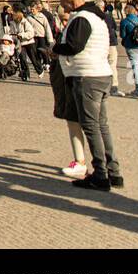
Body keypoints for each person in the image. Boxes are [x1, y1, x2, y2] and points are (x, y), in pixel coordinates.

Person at [52, 0, 123, 192]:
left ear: (72, 1)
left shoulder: (82, 18)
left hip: (87, 77)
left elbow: (74, 46)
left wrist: (56, 49)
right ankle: (114, 171)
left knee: (90, 126)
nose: (63, 9)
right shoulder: (97, 18)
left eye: (64, 5)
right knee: (101, 125)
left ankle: (100, 175)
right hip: (100, 74)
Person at [50, 10, 92, 179]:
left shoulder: (79, 33)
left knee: (90, 125)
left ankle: (101, 166)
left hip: (81, 83)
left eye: (67, 19)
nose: (65, 23)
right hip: (67, 84)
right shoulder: (64, 35)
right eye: (62, 20)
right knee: (73, 122)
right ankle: (80, 161)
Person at [9, 8, 36, 82]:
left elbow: (31, 33)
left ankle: (39, 70)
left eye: (14, 15)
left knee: (33, 58)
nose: (12, 16)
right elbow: (11, 32)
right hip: (19, 43)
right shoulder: (12, 23)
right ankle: (26, 74)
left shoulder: (25, 22)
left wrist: (22, 35)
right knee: (22, 59)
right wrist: (12, 38)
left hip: (27, 42)